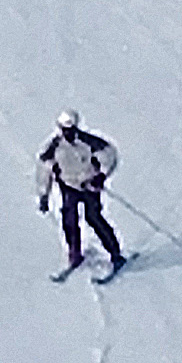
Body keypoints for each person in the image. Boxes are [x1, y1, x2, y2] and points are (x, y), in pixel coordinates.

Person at [36, 110, 125, 277]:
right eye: (65, 129)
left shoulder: (88, 141)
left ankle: (116, 254)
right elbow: (44, 171)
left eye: (71, 129)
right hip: (69, 187)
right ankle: (75, 254)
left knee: (94, 218)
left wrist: (101, 176)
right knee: (69, 220)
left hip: (89, 186)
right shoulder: (54, 148)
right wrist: (44, 195)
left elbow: (110, 154)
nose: (68, 133)